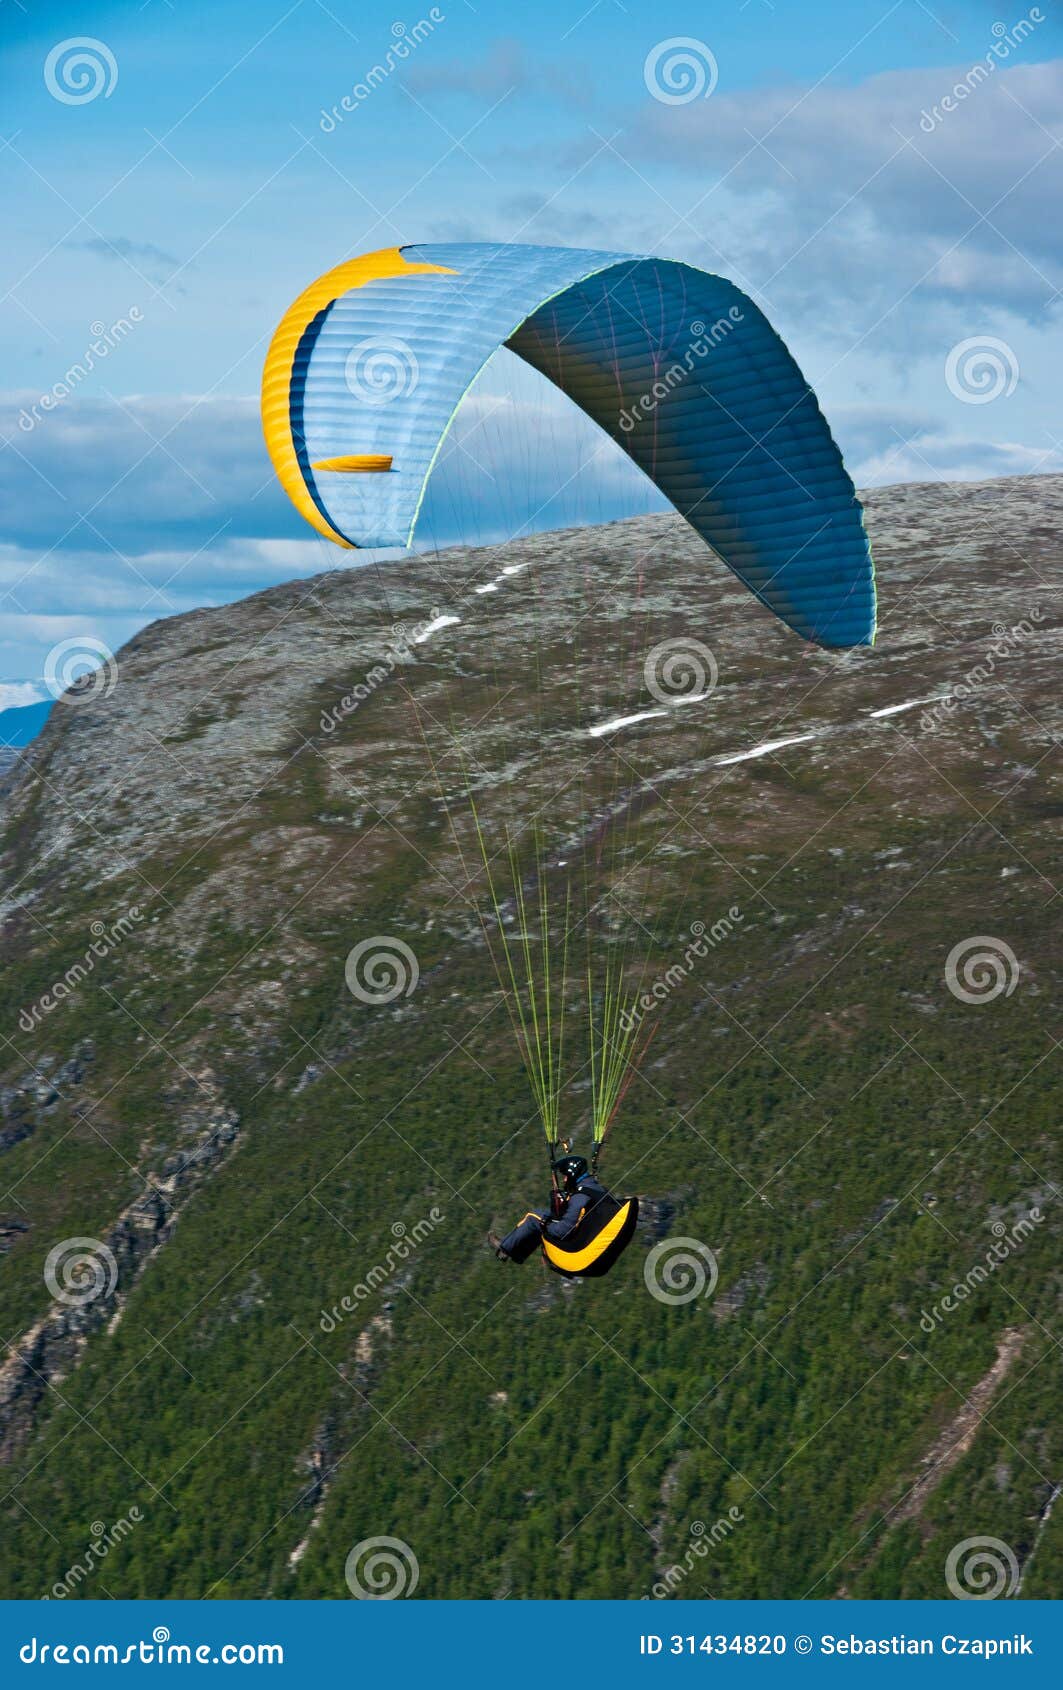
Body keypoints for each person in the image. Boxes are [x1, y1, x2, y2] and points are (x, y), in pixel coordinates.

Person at [491, 1154, 608, 1263]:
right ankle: (516, 1253)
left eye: (566, 1176)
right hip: (588, 1233)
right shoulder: (595, 1188)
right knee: (545, 1216)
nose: (564, 1180)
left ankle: (505, 1248)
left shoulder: (579, 1198)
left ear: (572, 1175)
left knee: (534, 1217)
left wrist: (545, 1224)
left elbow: (563, 1231)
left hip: (575, 1242)